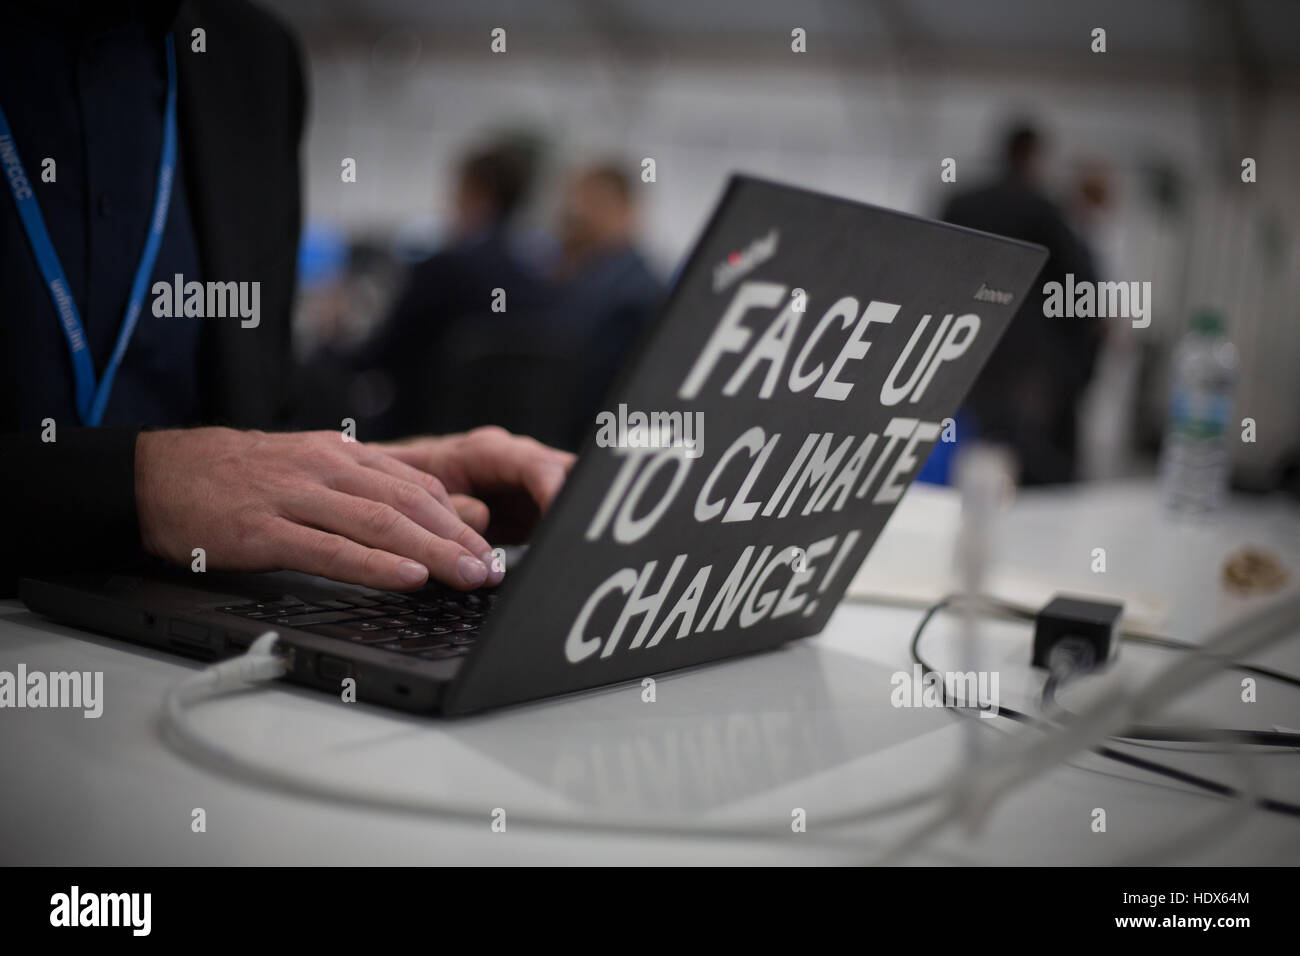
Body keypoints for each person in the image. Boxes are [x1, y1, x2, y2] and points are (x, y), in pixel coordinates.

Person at [0, 0, 573, 598]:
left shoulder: (253, 58)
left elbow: (283, 403)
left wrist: (387, 475)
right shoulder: (542, 271)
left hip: (199, 615)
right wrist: (139, 482)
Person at [355, 138, 555, 439]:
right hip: (512, 439)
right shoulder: (539, 280)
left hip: (424, 436)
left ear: (478, 192)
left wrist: (329, 353)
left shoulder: (442, 269)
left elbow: (383, 355)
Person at [941, 122, 1102, 484]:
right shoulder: (1042, 210)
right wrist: (1081, 358)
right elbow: (1079, 285)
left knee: (969, 445)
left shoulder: (962, 202)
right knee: (1026, 456)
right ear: (1032, 155)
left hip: (967, 347)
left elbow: (933, 270)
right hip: (1029, 364)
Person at [549, 163, 663, 447]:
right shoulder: (585, 275)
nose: (576, 213)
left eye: (590, 201)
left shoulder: (632, 293)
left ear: (623, 208)